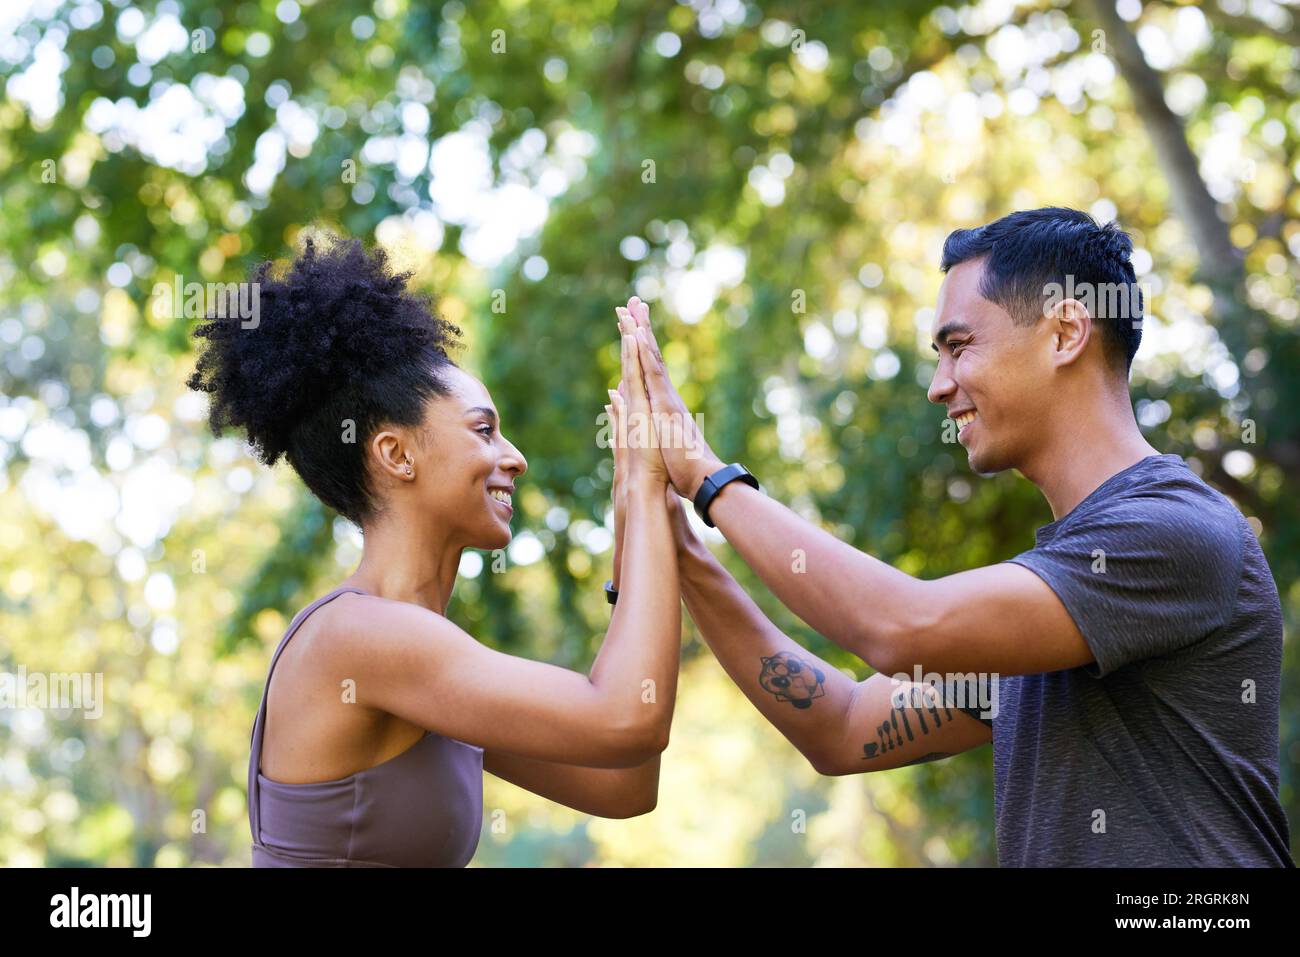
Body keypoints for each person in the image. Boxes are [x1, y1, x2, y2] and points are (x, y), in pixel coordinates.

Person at [621, 206, 1294, 867]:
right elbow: (843, 726)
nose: (940, 386)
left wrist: (708, 476)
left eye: (959, 345)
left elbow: (901, 625)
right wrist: (682, 546)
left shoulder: (1176, 530)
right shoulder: (1048, 610)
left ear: (1065, 332)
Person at [188, 235, 681, 867]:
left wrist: (638, 525)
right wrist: (643, 487)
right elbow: (627, 719)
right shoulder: (360, 637)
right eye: (484, 430)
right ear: (397, 454)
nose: (515, 458)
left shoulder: (427, 661)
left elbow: (625, 783)